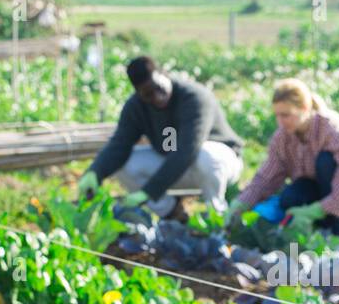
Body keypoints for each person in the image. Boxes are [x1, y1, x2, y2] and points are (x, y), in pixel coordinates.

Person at [78, 56, 244, 222]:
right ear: (138, 93)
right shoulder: (137, 107)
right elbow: (120, 143)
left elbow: (188, 149)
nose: (157, 98)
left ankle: (217, 217)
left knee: (204, 155)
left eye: (158, 88)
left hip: (218, 164)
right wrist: (95, 171)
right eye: (148, 94)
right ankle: (172, 212)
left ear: (164, 74)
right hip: (177, 168)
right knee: (125, 164)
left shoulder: (194, 97)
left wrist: (149, 191)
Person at [225, 78, 339, 243]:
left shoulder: (331, 128)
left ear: (304, 108)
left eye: (286, 115)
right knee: (290, 198)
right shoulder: (282, 138)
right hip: (323, 185)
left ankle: (338, 234)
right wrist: (241, 204)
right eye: (277, 115)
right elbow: (266, 178)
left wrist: (316, 210)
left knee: (326, 161)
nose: (280, 121)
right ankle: (311, 237)